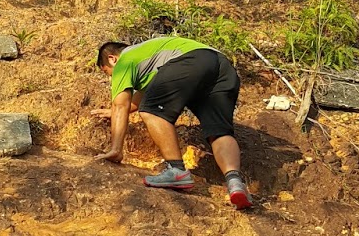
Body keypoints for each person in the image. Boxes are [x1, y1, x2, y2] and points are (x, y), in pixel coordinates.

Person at [95, 36, 252, 209]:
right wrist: (113, 112)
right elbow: (138, 99)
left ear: (112, 59)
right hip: (221, 66)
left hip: (191, 61)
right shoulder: (150, 57)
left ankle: (176, 170)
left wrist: (116, 150)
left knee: (151, 111)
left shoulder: (125, 60)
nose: (111, 79)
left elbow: (121, 104)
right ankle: (235, 183)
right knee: (218, 131)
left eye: (107, 72)